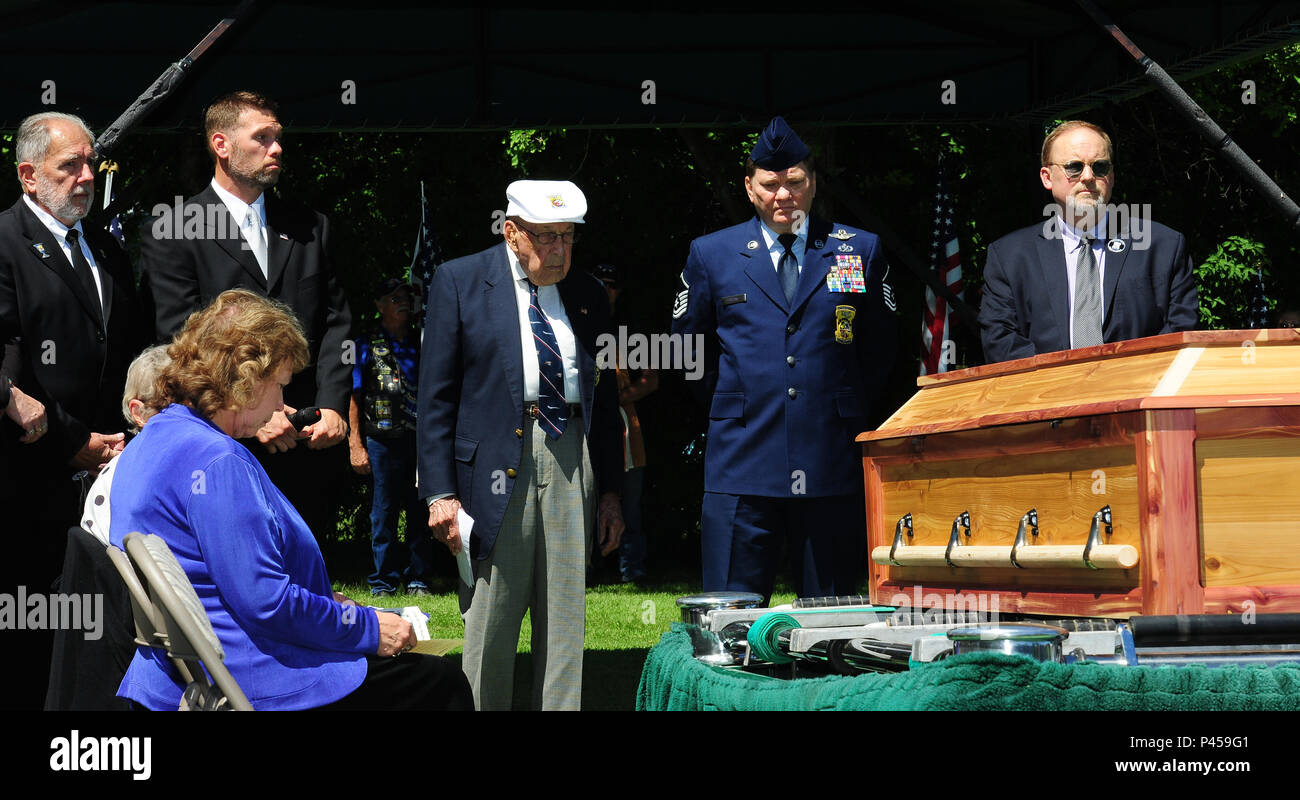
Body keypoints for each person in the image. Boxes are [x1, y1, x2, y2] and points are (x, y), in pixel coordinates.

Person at [109, 289, 472, 711]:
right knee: (441, 682)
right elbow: (268, 604)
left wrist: (329, 604)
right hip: (247, 677)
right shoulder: (216, 460)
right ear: (244, 378)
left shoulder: (152, 440)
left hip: (184, 673)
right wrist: (370, 628)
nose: (283, 403)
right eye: (279, 385)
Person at [671, 116, 896, 602]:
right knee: (730, 617)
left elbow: (879, 348)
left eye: (794, 183)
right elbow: (688, 349)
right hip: (743, 460)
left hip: (829, 457)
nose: (783, 196)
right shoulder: (713, 254)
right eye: (770, 184)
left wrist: (840, 404)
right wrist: (735, 401)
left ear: (813, 183)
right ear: (749, 187)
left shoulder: (857, 248)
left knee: (832, 616)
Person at [419, 180, 625, 710]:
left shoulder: (585, 294)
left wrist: (610, 494)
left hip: (570, 452)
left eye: (567, 238)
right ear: (511, 232)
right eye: (545, 238)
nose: (558, 251)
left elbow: (605, 400)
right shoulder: (459, 281)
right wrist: (439, 493)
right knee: (490, 617)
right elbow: (435, 399)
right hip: (491, 461)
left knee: (565, 619)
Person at [140, 90, 352, 544]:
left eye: (278, 137)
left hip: (309, 439)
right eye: (262, 138)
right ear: (221, 144)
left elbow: (337, 322)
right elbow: (182, 338)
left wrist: (334, 404)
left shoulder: (312, 226)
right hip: (224, 446)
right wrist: (255, 411)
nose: (277, 148)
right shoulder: (174, 228)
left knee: (310, 582)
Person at [0, 112, 146, 707]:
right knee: (26, 641)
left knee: (92, 637)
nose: (87, 177)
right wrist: (72, 439)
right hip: (22, 490)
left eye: (92, 163)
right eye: (71, 166)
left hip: (105, 481)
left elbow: (128, 347)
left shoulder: (107, 250)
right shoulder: (4, 244)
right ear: (29, 174)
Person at [978, 120, 1198, 364]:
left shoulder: (1162, 246)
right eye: (1074, 167)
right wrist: (1064, 386)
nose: (1088, 176)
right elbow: (1000, 341)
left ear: (1111, 176)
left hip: (1137, 394)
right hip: (1045, 397)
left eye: (1100, 167)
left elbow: (1181, 330)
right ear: (1047, 177)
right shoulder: (1010, 257)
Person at [347, 277, 441, 597]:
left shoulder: (422, 342)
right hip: (381, 439)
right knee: (383, 511)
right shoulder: (365, 343)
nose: (402, 302)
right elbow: (354, 397)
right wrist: (355, 444)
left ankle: (418, 578)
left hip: (419, 438)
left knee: (419, 509)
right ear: (379, 305)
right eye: (394, 297)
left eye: (405, 297)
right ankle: (383, 581)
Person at [591, 262, 658, 584]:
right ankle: (588, 569)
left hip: (625, 431)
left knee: (630, 505)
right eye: (600, 283)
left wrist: (615, 397)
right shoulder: (579, 324)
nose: (607, 290)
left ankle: (633, 571)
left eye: (612, 284)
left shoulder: (631, 334)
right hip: (585, 431)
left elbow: (651, 380)